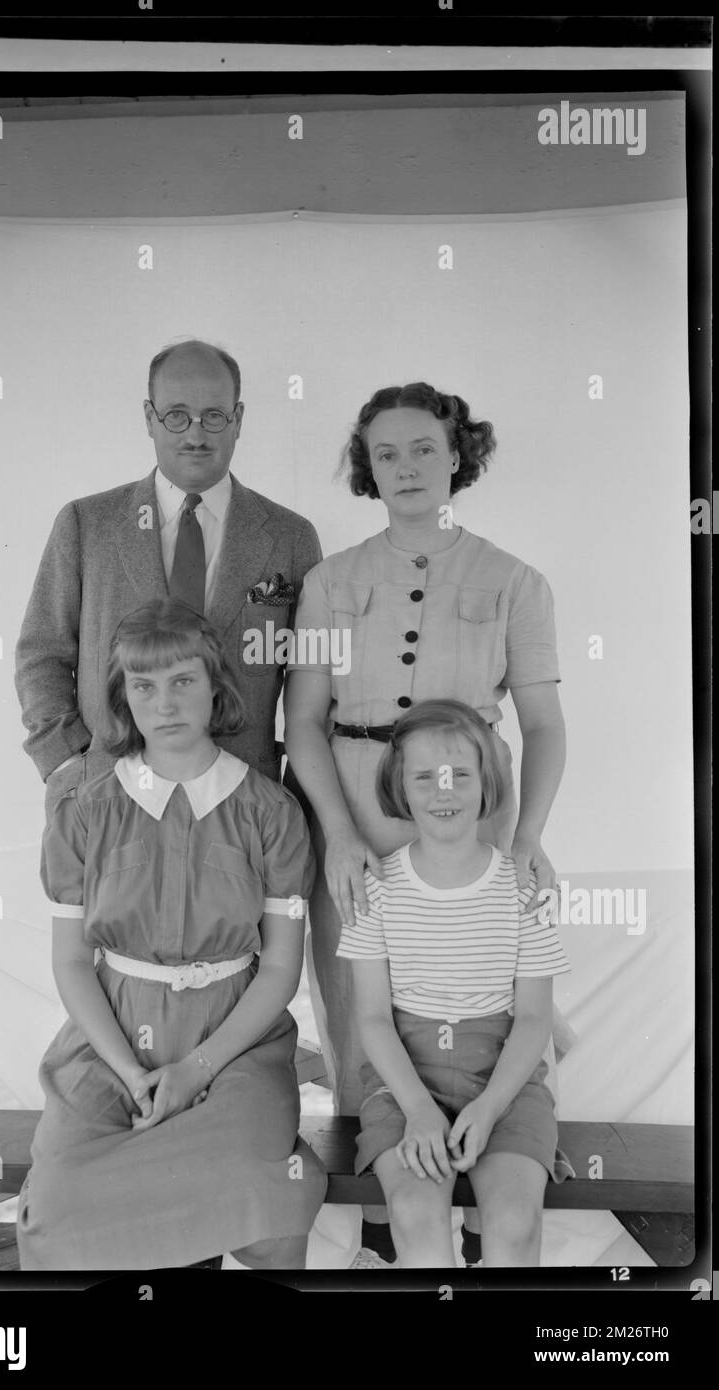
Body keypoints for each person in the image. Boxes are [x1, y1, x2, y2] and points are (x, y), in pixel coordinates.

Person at [284, 381, 571, 1258]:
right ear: (367, 470)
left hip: (468, 803)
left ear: (458, 454)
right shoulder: (331, 581)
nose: (405, 466)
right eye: (385, 453)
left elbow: (545, 724)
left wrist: (521, 843)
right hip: (355, 798)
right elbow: (301, 721)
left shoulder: (516, 580)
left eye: (422, 448)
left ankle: (493, 1172)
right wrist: (337, 832)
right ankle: (394, 1212)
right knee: (356, 1008)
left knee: (488, 985)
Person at [16, 600, 326, 1270]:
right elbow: (72, 963)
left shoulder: (271, 812)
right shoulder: (84, 810)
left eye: (183, 681)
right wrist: (131, 1070)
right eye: (144, 685)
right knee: (64, 1195)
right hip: (113, 1038)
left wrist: (197, 1069)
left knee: (256, 1187)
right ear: (123, 698)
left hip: (234, 1042)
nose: (165, 703)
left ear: (216, 687)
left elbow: (279, 970)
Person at [15, 338, 322, 820]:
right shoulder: (87, 524)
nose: (195, 433)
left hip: (245, 810)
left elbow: (311, 679)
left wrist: (291, 797)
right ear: (149, 418)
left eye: (213, 415)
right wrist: (66, 765)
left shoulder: (291, 537)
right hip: (107, 801)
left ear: (238, 419)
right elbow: (42, 652)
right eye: (176, 415)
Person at [337, 700, 571, 1268]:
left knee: (515, 1220)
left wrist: (490, 1107)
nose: (444, 791)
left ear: (486, 782)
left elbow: (536, 1018)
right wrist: (418, 1109)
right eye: (425, 777)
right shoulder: (376, 891)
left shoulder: (524, 889)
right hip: (405, 1081)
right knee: (416, 1214)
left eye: (460, 774)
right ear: (400, 786)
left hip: (504, 1081)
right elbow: (371, 1018)